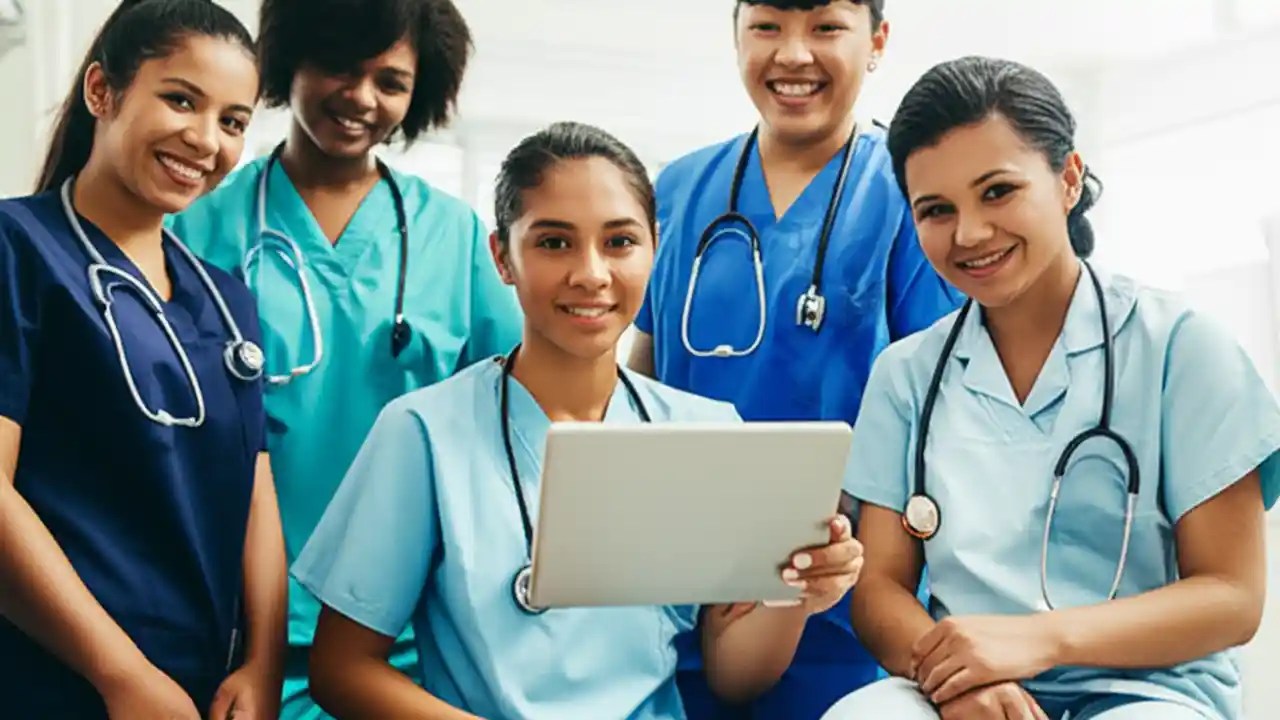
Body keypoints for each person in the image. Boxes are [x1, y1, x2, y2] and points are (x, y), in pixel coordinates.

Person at [289, 121, 864, 719]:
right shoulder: (423, 432)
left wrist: (796, 593)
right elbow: (341, 670)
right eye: (554, 242)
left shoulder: (709, 433)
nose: (591, 273)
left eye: (619, 242)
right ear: (502, 257)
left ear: (655, 247)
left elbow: (734, 679)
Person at [822, 56, 1280, 720]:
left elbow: (1232, 597)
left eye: (998, 192)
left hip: (1149, 689)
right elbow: (879, 591)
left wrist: (1037, 641)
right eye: (937, 210)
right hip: (964, 687)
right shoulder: (906, 375)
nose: (970, 233)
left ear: (1068, 179)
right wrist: (959, 680)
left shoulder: (1181, 348)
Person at [167, 0, 523, 716]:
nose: (361, 98)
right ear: (289, 60)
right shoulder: (198, 227)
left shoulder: (453, 236)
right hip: (237, 635)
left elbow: (514, 421)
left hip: (412, 634)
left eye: (390, 82)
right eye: (339, 66)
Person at [628, 1, 962, 716]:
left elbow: (937, 414)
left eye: (826, 27)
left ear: (876, 40)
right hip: (683, 588)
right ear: (736, 36)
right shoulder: (678, 189)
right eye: (768, 26)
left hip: (843, 597)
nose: (793, 54)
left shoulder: (912, 198)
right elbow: (640, 380)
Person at [0, 1, 287, 718]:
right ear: (102, 91)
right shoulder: (17, 250)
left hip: (197, 692)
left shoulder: (227, 302)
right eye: (181, 100)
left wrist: (263, 663)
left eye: (233, 121)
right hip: (53, 685)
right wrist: (121, 674)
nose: (206, 140)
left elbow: (257, 500)